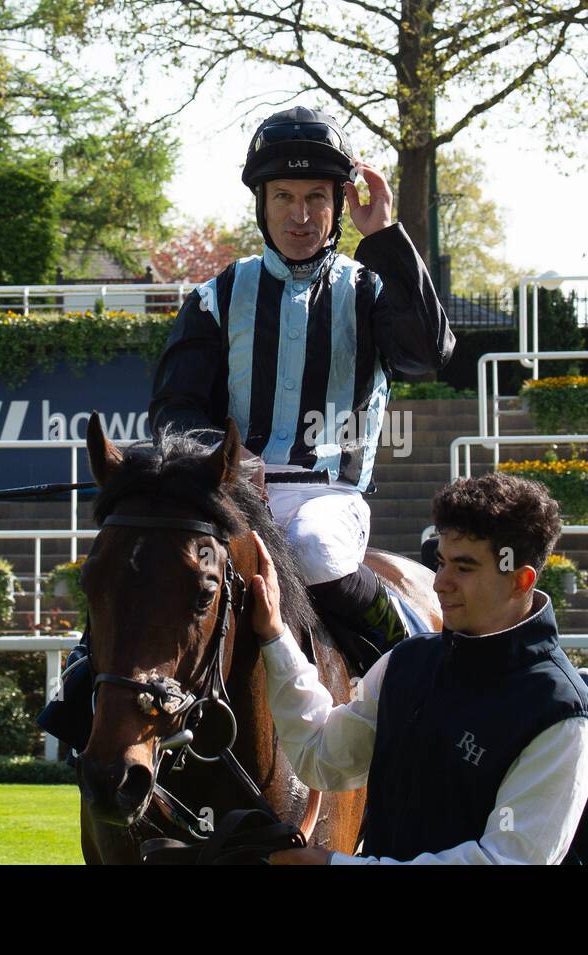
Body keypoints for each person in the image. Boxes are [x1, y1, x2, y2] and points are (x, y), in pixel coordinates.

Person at [148, 105, 455, 662]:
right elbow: (176, 407)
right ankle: (81, 692)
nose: (300, 215)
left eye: (317, 196)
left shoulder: (372, 288)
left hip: (329, 495)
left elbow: (426, 355)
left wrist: (384, 235)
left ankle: (419, 661)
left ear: (339, 205)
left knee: (312, 549)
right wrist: (219, 454)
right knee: (145, 557)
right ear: (262, 205)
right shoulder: (215, 296)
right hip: (230, 496)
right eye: (284, 197)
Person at [249, 471, 588, 864]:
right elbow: (322, 757)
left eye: (464, 567)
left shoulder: (562, 715)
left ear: (519, 581)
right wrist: (275, 637)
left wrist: (336, 865)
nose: (440, 584)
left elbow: (506, 860)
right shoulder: (407, 663)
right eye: (440, 563)